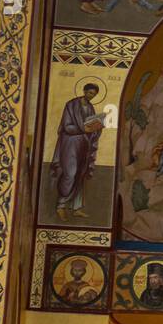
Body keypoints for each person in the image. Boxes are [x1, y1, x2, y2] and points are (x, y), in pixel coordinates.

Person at [50, 82, 104, 221]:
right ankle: (60, 206)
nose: (91, 96)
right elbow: (67, 127)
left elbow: (90, 125)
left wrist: (96, 127)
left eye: (94, 94)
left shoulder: (90, 107)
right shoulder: (71, 105)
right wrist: (83, 129)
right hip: (70, 144)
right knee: (70, 173)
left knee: (81, 173)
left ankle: (76, 207)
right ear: (84, 91)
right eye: (90, 93)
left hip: (84, 145)